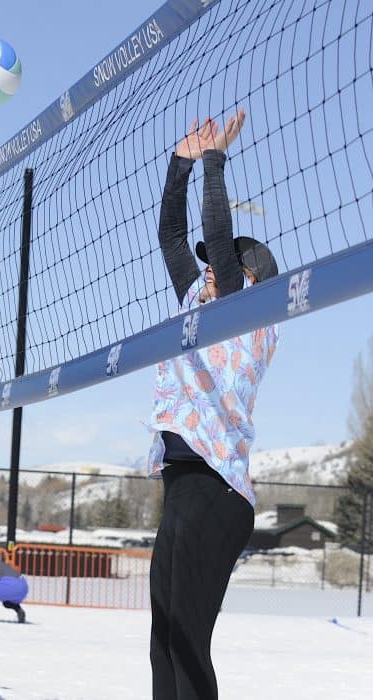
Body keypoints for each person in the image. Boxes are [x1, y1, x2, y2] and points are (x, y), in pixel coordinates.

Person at [147, 108, 279, 700]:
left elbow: (217, 239)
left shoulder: (244, 308)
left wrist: (215, 162)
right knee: (165, 636)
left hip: (217, 487)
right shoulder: (201, 302)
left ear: (248, 275)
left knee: (187, 642)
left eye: (218, 263)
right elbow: (171, 237)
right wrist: (182, 162)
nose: (203, 266)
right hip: (185, 481)